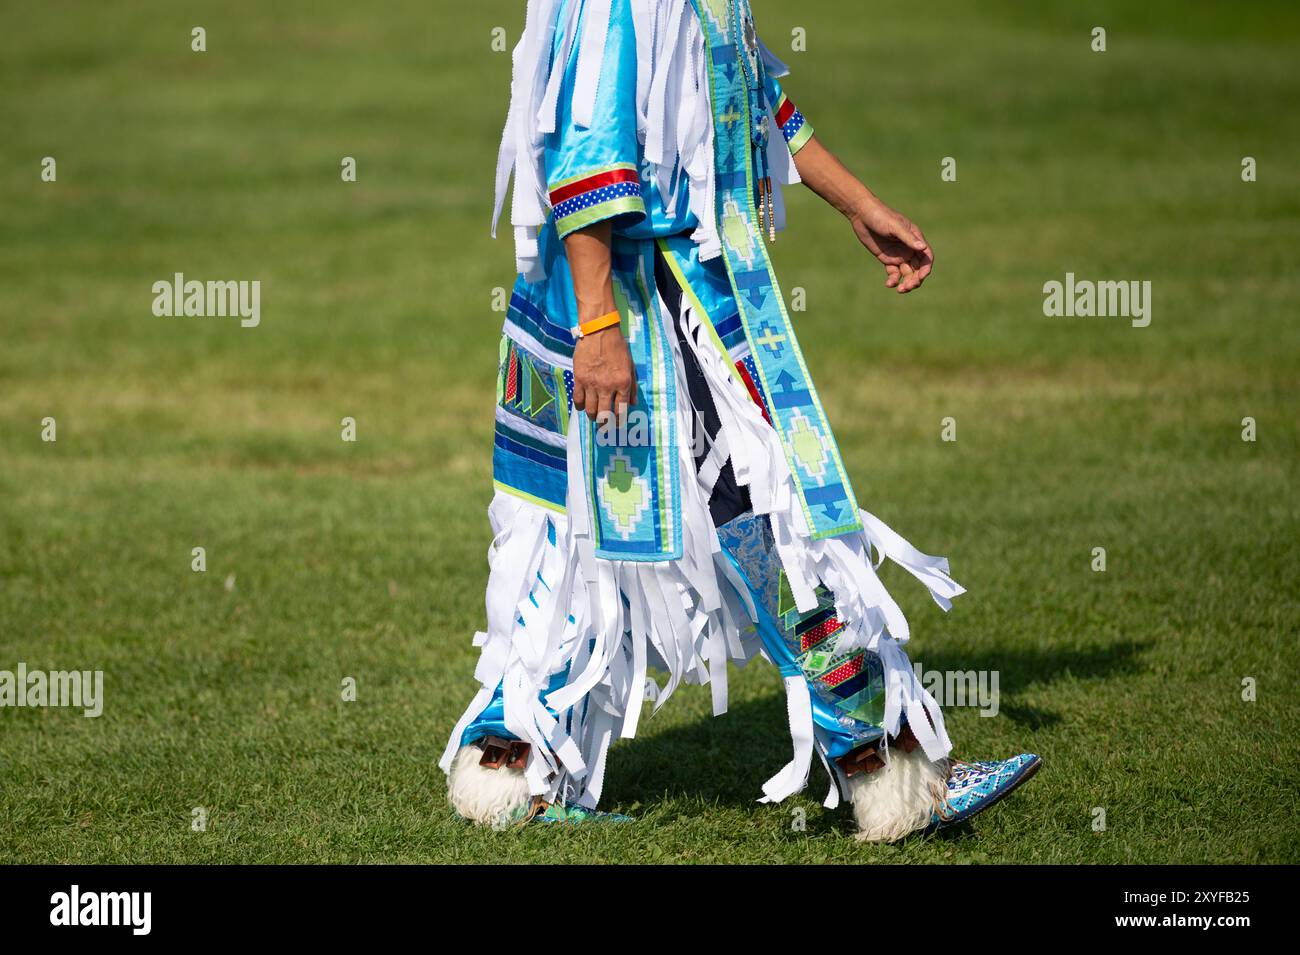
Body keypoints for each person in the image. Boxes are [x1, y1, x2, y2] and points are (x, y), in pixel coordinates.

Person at [440, 0, 1040, 840]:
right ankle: (888, 772)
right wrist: (600, 326)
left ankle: (507, 772)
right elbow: (581, 162)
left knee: (579, 535)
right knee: (775, 522)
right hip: (645, 313)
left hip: (665, 302)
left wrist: (857, 204)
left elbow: (757, 98)